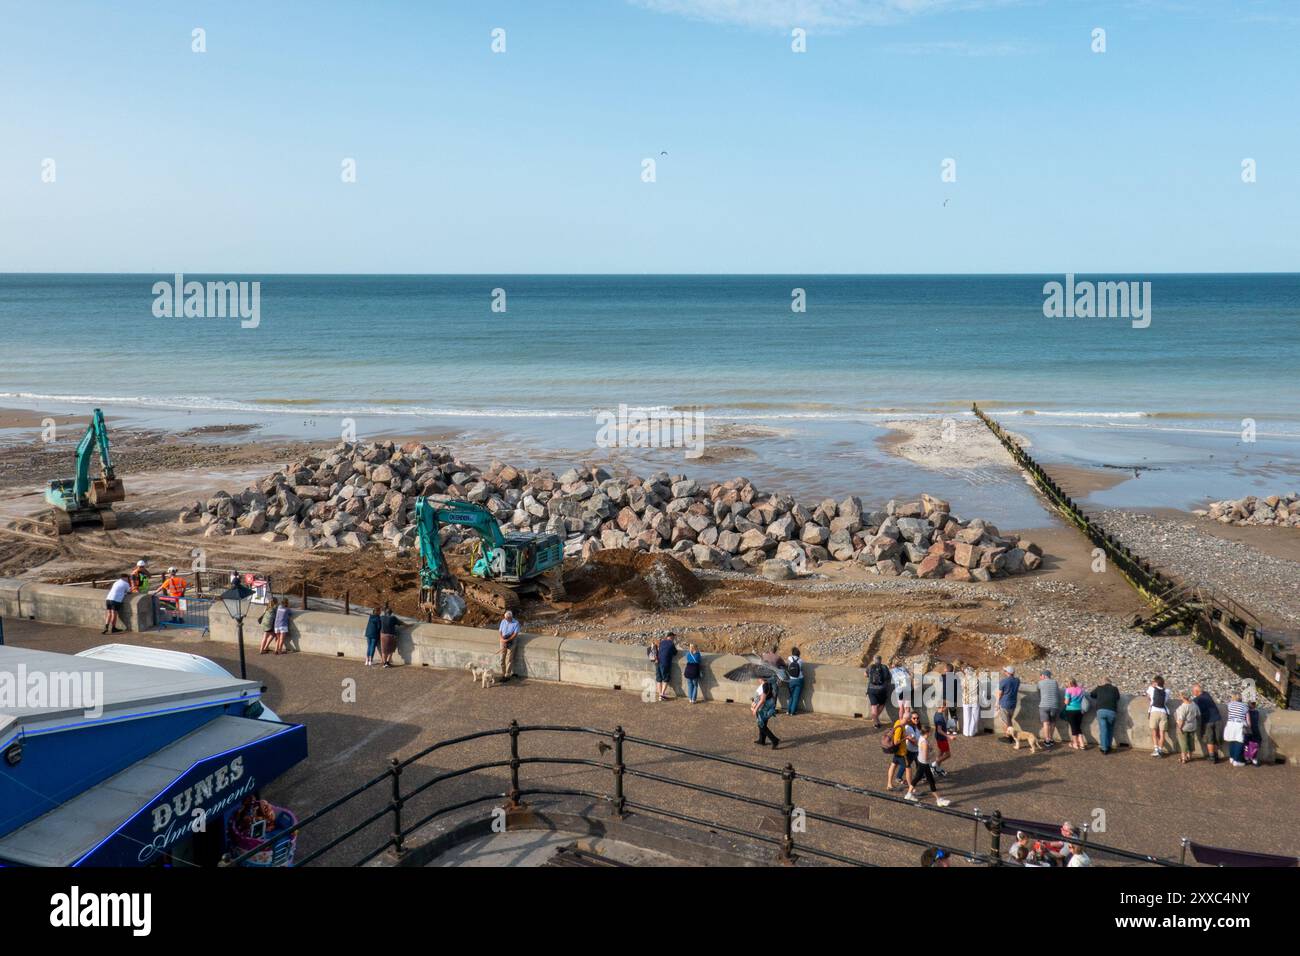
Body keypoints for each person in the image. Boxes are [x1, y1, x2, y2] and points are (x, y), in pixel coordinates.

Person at [905, 717, 951, 807]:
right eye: (930, 732)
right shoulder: (924, 743)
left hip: (922, 763)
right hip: (924, 764)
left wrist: (930, 749)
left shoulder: (922, 739)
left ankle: (909, 794)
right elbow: (926, 757)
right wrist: (933, 755)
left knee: (924, 780)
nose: (931, 734)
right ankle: (938, 800)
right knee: (926, 780)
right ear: (928, 733)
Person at [1192, 683, 1222, 764]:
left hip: (1208, 721)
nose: (1192, 693)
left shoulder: (1196, 700)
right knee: (1215, 739)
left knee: (1210, 740)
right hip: (1217, 719)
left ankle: (1212, 757)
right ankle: (1216, 756)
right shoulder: (1206, 694)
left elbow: (1193, 710)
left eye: (1193, 691)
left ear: (1196, 691)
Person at [1089, 678, 1121, 754]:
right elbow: (1118, 698)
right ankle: (1109, 746)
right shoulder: (1115, 689)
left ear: (1103, 683)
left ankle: (1104, 748)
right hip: (1112, 711)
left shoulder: (1099, 688)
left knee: (1103, 730)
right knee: (1110, 729)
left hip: (1101, 711)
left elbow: (1091, 694)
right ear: (1110, 683)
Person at [886, 702, 912, 792]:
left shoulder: (898, 721)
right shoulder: (900, 728)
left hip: (897, 752)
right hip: (901, 752)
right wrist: (906, 738)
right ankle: (911, 787)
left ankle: (889, 784)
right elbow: (896, 741)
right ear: (908, 720)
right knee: (908, 768)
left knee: (893, 765)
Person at [752, 676, 779, 749]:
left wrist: (755, 709)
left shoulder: (765, 685)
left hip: (763, 707)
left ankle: (774, 740)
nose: (757, 679)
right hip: (767, 706)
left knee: (761, 725)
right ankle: (762, 740)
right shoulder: (769, 683)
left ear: (761, 678)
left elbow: (762, 699)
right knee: (763, 723)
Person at [1147, 675, 1171, 757]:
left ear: (1156, 683)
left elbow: (1149, 697)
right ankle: (1160, 750)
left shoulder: (1151, 689)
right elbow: (1166, 700)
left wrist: (1152, 685)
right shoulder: (1167, 691)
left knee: (1154, 732)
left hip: (1154, 711)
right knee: (1162, 734)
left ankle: (1156, 749)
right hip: (1164, 712)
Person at [866, 655, 892, 728]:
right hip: (882, 690)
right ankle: (876, 718)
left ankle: (875, 722)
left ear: (874, 660)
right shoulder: (884, 667)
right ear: (881, 660)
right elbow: (888, 677)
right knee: (882, 704)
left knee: (874, 706)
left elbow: (865, 674)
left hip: (871, 690)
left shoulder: (870, 666)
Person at [1037, 669, 1061, 748]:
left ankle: (1047, 740)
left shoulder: (1040, 683)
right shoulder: (1055, 682)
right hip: (1055, 706)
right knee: (1053, 723)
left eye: (1041, 676)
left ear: (1043, 676)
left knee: (1046, 723)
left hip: (1044, 705)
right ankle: (1051, 739)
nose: (1040, 678)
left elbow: (1038, 693)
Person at [1174, 691, 1200, 763]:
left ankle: (1183, 758)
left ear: (1183, 697)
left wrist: (1179, 728)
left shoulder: (1183, 707)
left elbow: (1181, 719)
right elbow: (1198, 715)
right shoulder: (1194, 704)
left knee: (1183, 743)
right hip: (1192, 726)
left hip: (1184, 727)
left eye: (1180, 696)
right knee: (1191, 741)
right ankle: (1190, 756)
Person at [761, 643, 787, 712]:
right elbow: (784, 665)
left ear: (769, 650)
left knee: (765, 692)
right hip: (774, 678)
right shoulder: (777, 657)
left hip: (765, 677)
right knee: (774, 693)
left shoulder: (764, 656)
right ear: (775, 650)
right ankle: (772, 709)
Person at [1062, 678, 1087, 750]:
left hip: (1071, 710)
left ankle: (1075, 744)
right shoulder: (1080, 689)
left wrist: (1065, 701)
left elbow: (1066, 702)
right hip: (1079, 710)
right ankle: (1082, 744)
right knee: (1078, 727)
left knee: (1073, 727)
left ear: (1069, 683)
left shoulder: (1068, 690)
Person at [1225, 692, 1249, 766]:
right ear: (1241, 698)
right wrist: (1248, 726)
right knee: (1239, 741)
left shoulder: (1230, 705)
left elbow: (1229, 715)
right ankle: (1236, 760)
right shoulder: (1245, 706)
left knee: (1232, 740)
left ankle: (1231, 758)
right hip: (1239, 724)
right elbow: (1248, 719)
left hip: (1230, 723)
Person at [998, 666, 1020, 743]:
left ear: (1007, 672)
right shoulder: (1017, 681)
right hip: (1013, 704)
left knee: (1005, 721)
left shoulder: (1004, 681)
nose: (1004, 672)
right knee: (1009, 720)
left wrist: (997, 703)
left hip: (1005, 703)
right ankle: (1011, 736)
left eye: (1005, 671)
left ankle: (1008, 737)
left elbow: (1000, 694)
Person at [958, 661, 980, 737]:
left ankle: (966, 732)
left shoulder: (963, 680)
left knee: (966, 717)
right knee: (974, 717)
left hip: (965, 700)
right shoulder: (976, 679)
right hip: (974, 700)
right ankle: (972, 732)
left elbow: (961, 688)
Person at [655, 632, 677, 701]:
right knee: (666, 678)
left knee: (659, 679)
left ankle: (660, 695)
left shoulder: (662, 642)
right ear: (670, 637)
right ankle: (662, 694)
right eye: (673, 637)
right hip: (665, 663)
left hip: (657, 662)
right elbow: (675, 653)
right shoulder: (671, 643)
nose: (674, 638)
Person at [498, 610, 520, 680]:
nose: (507, 620)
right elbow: (500, 631)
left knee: (509, 658)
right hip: (503, 640)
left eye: (508, 618)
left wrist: (508, 640)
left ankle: (507, 675)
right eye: (506, 618)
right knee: (502, 658)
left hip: (512, 641)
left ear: (511, 617)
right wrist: (502, 639)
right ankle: (503, 673)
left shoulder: (516, 623)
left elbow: (515, 634)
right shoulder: (503, 621)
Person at [932, 707, 954, 776]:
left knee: (940, 753)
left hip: (939, 737)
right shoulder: (940, 718)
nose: (947, 708)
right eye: (947, 706)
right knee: (948, 754)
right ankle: (934, 765)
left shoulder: (937, 714)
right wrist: (949, 736)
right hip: (942, 739)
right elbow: (939, 730)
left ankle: (937, 769)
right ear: (942, 707)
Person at [785, 647, 806, 715]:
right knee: (796, 697)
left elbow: (787, 666)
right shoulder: (801, 660)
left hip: (791, 680)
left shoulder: (789, 658)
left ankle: (788, 711)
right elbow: (801, 670)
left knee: (791, 696)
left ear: (792, 653)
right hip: (799, 680)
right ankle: (792, 712)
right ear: (799, 654)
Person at [1244, 700, 1262, 766]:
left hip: (1247, 731)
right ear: (1255, 705)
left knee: (1246, 744)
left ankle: (1247, 758)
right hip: (1255, 731)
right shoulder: (1257, 712)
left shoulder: (1246, 712)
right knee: (1255, 744)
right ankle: (1253, 759)